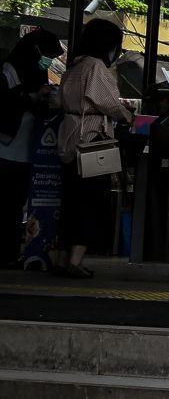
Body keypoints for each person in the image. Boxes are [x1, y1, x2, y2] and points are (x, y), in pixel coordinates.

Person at [53, 18, 136, 278]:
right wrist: (129, 116)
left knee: (71, 201)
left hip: (68, 136)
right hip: (91, 139)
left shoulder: (74, 66)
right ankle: (76, 260)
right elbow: (108, 103)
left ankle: (63, 259)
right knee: (92, 201)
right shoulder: (96, 67)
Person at [1, 28, 64, 267]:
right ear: (35, 49)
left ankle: (8, 253)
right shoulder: (10, 70)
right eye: (47, 53)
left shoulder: (37, 69)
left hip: (26, 149)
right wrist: (33, 96)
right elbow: (7, 102)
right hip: (6, 146)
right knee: (7, 203)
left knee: (14, 203)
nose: (47, 59)